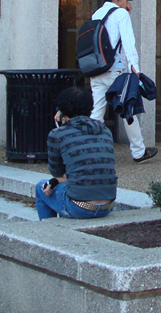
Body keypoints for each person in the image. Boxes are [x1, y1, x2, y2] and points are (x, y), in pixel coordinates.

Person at [90, 0, 158, 163]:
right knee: (128, 110)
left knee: (97, 112)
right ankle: (138, 151)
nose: (127, 1)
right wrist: (135, 67)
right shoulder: (120, 14)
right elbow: (128, 42)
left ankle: (88, 151)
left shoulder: (96, 14)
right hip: (117, 72)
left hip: (97, 71)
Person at [35, 86, 117, 220]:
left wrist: (60, 126)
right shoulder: (105, 131)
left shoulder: (58, 134)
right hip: (107, 205)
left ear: (61, 111)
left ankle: (48, 231)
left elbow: (56, 172)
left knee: (40, 188)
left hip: (79, 207)